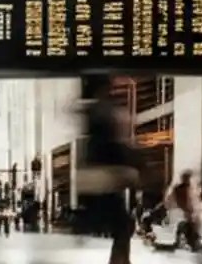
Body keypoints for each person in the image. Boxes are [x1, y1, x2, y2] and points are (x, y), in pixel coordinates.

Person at [76, 75, 137, 264]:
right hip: (104, 179)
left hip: (97, 179)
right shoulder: (103, 111)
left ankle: (119, 261)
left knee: (123, 225)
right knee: (124, 226)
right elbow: (111, 145)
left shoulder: (93, 111)